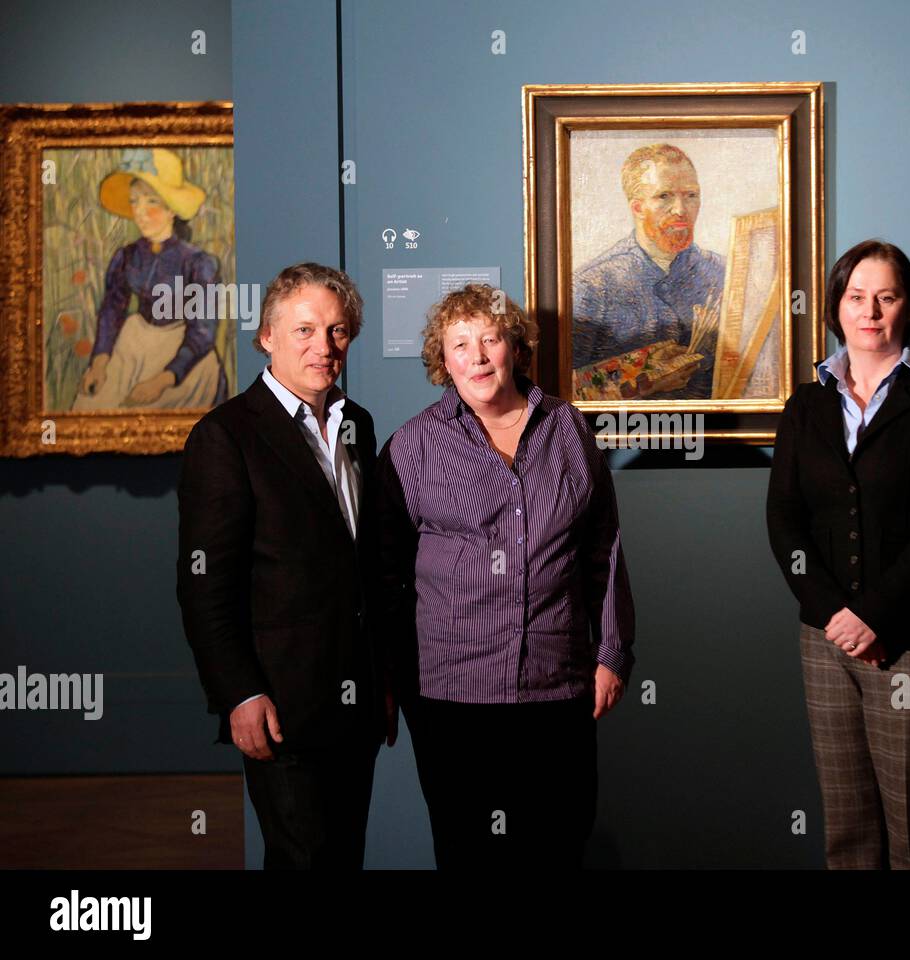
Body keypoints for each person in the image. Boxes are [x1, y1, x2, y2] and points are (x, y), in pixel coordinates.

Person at [366, 283, 634, 869]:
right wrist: (389, 679)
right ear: (443, 358)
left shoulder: (568, 431)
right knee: (470, 854)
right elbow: (385, 575)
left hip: (556, 684)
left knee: (559, 843)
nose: (477, 356)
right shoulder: (413, 447)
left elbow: (602, 547)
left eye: (489, 338)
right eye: (459, 344)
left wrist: (611, 651)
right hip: (453, 696)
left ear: (514, 346)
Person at [766, 240, 910, 869]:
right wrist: (834, 611)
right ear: (836, 306)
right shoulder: (806, 404)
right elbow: (784, 519)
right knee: (849, 830)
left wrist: (876, 616)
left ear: (908, 306)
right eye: (857, 297)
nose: (871, 311)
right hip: (826, 639)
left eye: (886, 297)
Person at [176, 263, 395, 869]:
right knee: (303, 861)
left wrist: (381, 680)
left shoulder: (358, 425)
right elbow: (203, 586)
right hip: (280, 704)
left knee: (343, 858)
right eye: (304, 331)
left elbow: (365, 568)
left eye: (337, 331)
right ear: (267, 337)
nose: (323, 348)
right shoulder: (225, 436)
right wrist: (238, 693)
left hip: (355, 704)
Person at [75, 147, 227, 410]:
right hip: (135, 341)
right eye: (135, 202)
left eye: (151, 202)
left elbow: (203, 331)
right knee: (94, 404)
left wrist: (163, 380)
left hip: (184, 353)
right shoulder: (126, 256)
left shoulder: (198, 262)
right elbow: (112, 309)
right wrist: (99, 362)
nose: (140, 212)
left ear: (172, 210)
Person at [571, 143, 724, 399]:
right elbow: (561, 388)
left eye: (691, 195)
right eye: (664, 196)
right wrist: (645, 374)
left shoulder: (725, 273)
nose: (680, 210)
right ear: (637, 207)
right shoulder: (592, 285)